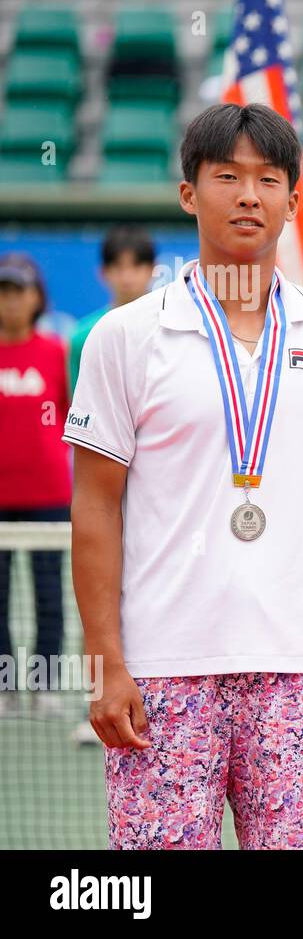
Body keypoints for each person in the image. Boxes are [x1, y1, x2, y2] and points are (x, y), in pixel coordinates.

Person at [66, 102, 303, 849]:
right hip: (161, 673)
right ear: (189, 194)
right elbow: (94, 511)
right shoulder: (126, 337)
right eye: (227, 177)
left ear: (292, 200)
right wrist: (106, 664)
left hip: (301, 672)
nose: (249, 195)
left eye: (267, 179)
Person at [0, 253, 69, 719]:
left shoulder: (55, 353)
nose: (10, 302)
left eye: (18, 291)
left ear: (36, 298)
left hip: (49, 495)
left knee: (49, 593)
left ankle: (44, 685)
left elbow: (68, 412)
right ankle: (5, 688)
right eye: (3, 292)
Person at [69, 226, 157, 395]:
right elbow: (78, 406)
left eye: (136, 265)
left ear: (153, 269)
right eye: (118, 266)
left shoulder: (171, 327)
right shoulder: (82, 337)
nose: (127, 277)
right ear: (103, 272)